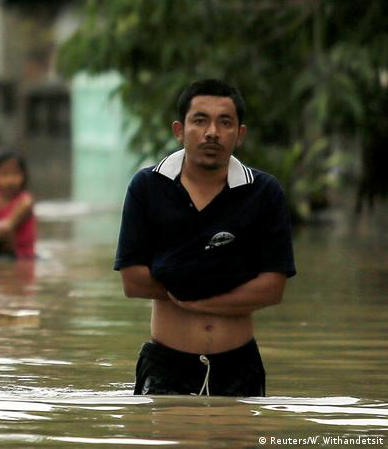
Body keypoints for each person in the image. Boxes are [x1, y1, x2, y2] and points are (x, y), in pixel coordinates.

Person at [115, 79, 295, 396]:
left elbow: (272, 288)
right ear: (179, 130)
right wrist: (216, 282)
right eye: (200, 120)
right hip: (165, 365)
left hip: (239, 364)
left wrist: (193, 298)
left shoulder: (263, 192)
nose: (212, 132)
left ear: (239, 134)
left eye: (225, 122)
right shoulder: (148, 186)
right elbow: (133, 281)